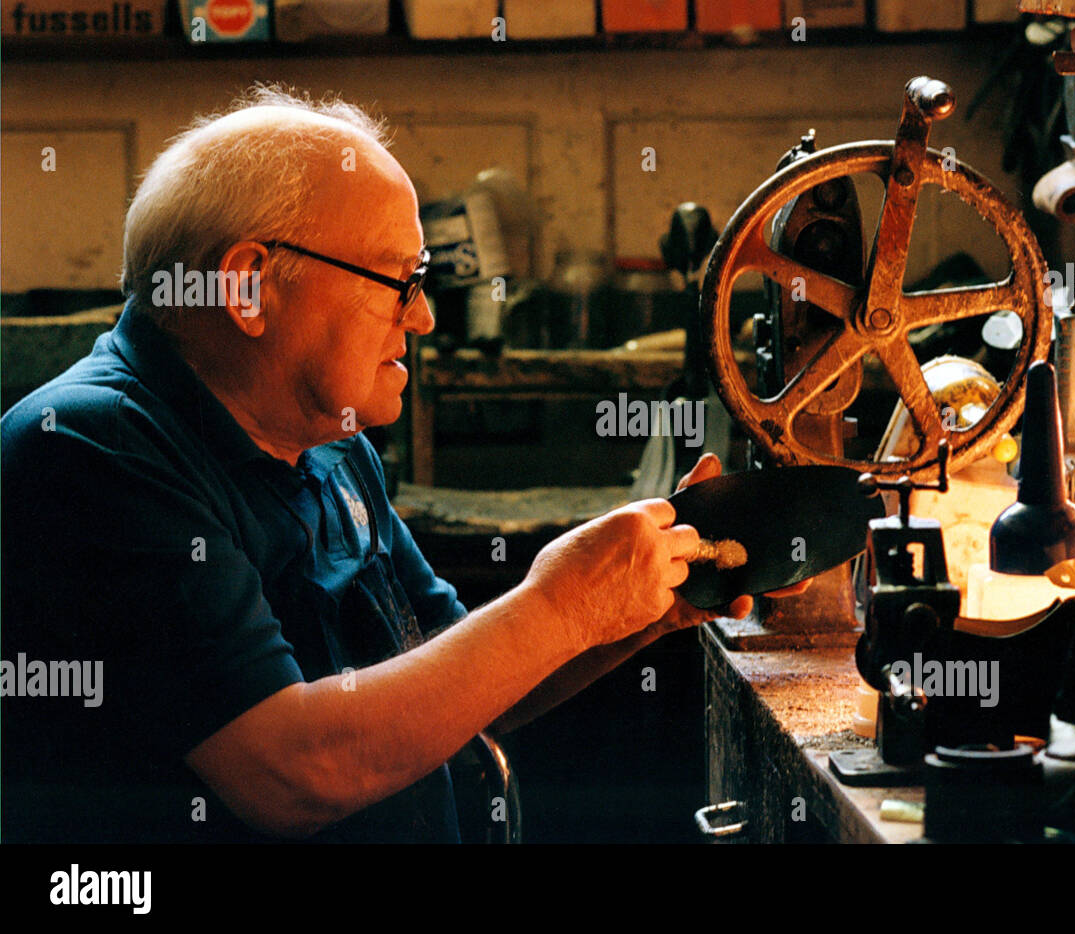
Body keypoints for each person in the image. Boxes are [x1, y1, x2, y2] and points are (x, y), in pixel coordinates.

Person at [0, 86, 801, 843]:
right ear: (248, 287)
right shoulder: (86, 451)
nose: (421, 315)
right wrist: (560, 606)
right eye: (400, 281)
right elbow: (287, 772)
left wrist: (638, 604)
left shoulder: (327, 438)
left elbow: (458, 677)